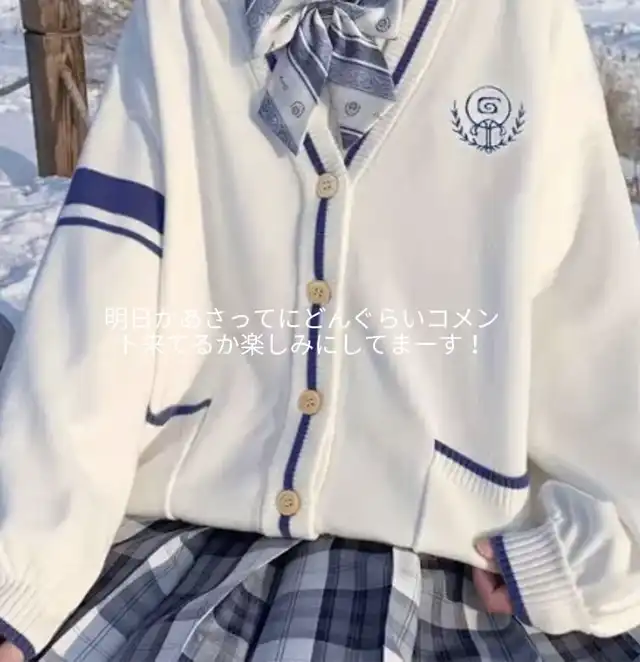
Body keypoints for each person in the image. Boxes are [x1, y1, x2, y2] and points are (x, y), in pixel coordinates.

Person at [0, 0, 637, 659]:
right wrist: (22, 575)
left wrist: (592, 558)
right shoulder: (184, 17)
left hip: (456, 549)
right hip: (194, 516)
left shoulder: (520, 21)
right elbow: (102, 284)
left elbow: (589, 295)